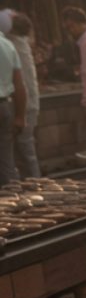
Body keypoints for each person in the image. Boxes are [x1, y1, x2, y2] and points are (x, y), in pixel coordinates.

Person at [7, 14, 39, 178]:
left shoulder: (13, 45)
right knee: (24, 152)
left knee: (24, 152)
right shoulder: (20, 44)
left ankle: (36, 186)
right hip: (27, 104)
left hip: (22, 105)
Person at [0, 26, 27, 184]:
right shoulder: (7, 45)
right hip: (5, 106)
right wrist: (20, 116)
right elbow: (19, 85)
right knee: (6, 162)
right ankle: (12, 195)